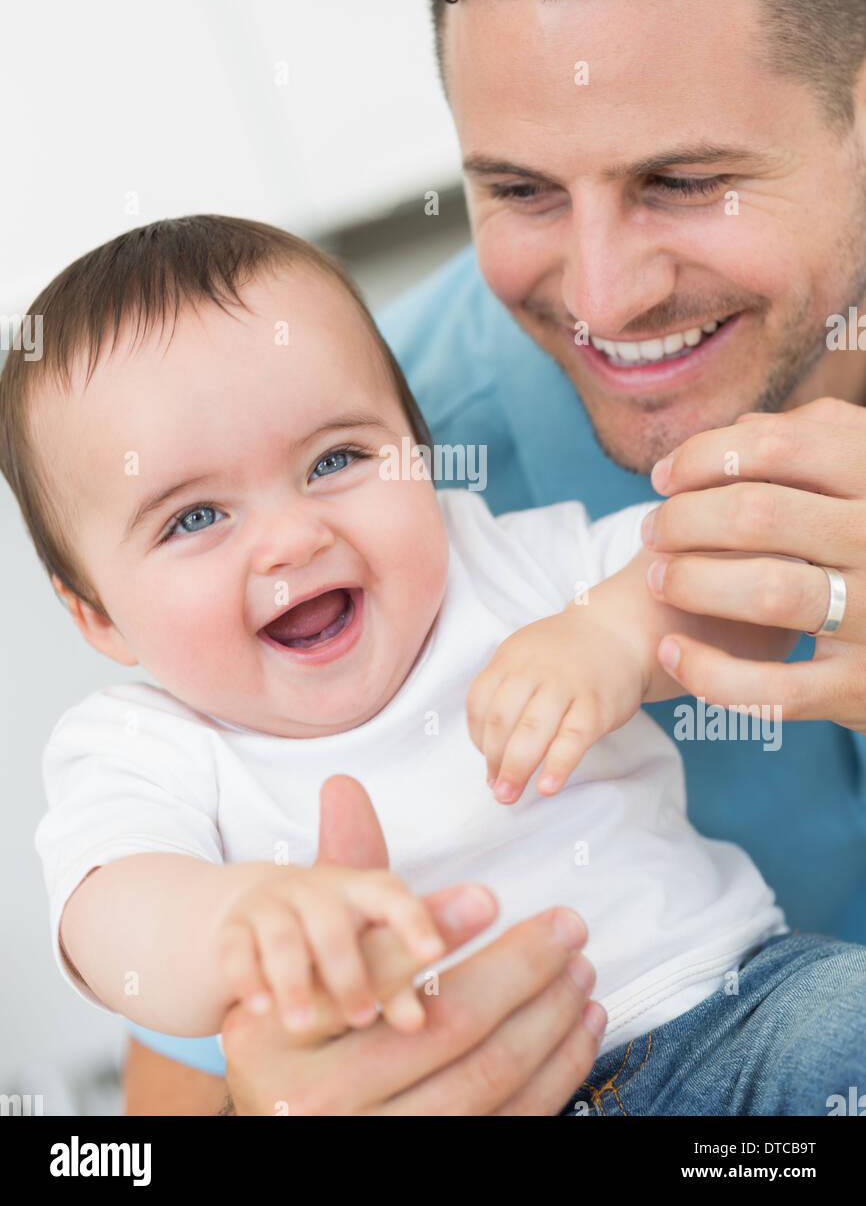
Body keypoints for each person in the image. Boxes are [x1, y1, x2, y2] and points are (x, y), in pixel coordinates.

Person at [7, 215, 865, 1116]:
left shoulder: (499, 562)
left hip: (731, 1027)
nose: (294, 537)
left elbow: (750, 584)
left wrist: (613, 632)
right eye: (193, 518)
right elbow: (112, 922)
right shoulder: (143, 745)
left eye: (337, 459)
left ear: (419, 455)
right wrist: (235, 926)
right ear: (96, 615)